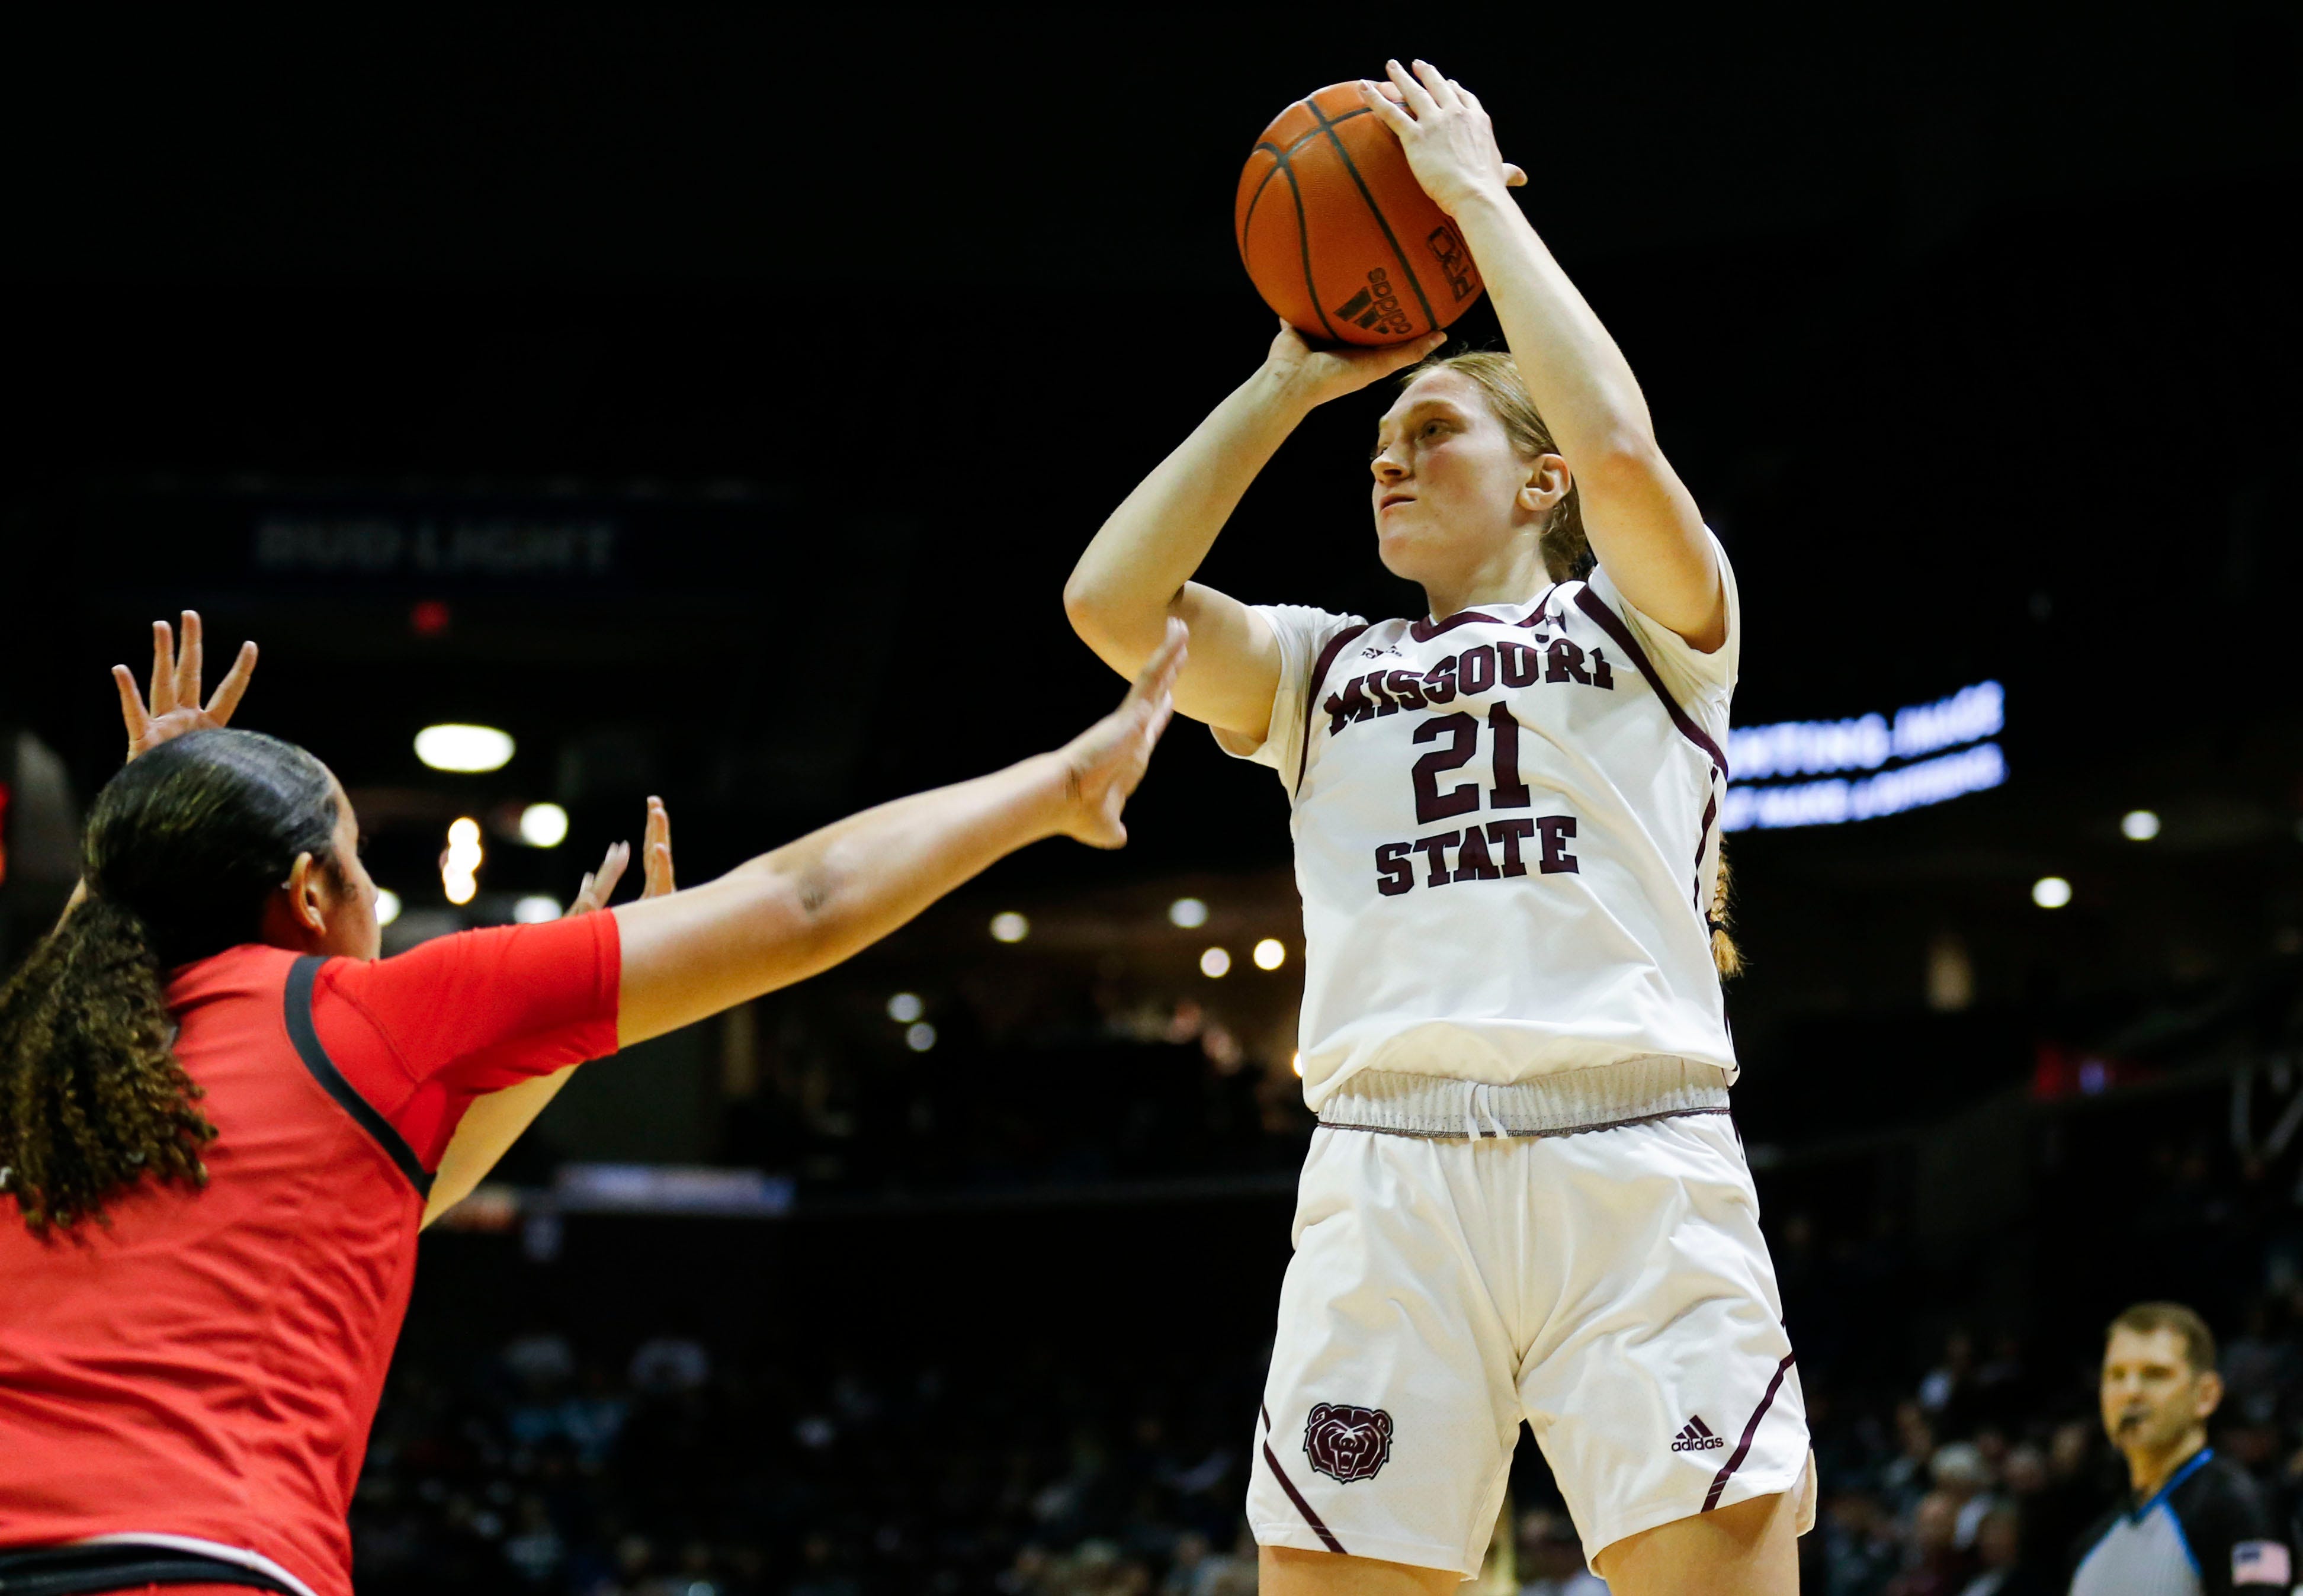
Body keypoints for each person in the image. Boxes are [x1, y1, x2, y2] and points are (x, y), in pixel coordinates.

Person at [0, 610, 1186, 1596]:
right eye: (362, 859)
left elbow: (392, 1195)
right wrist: (1055, 787)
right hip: (187, 1563)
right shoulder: (355, 1013)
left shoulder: (54, 1084)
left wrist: (139, 839)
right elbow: (807, 898)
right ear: (309, 891)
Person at [1065, 57, 1808, 1596]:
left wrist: (1472, 197)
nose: (1388, 456)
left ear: (1539, 480)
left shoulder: (1651, 625)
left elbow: (1621, 450)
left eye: (1434, 426)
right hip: (1390, 1175)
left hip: (1633, 1164)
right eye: (1378, 446)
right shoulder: (1322, 665)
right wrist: (1292, 382)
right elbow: (1109, 602)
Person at [2069, 1302, 2291, 1594]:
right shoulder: (2090, 1541)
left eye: (2155, 1374)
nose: (2131, 1392)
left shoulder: (2245, 1509)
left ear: (2206, 1395)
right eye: (2117, 1375)